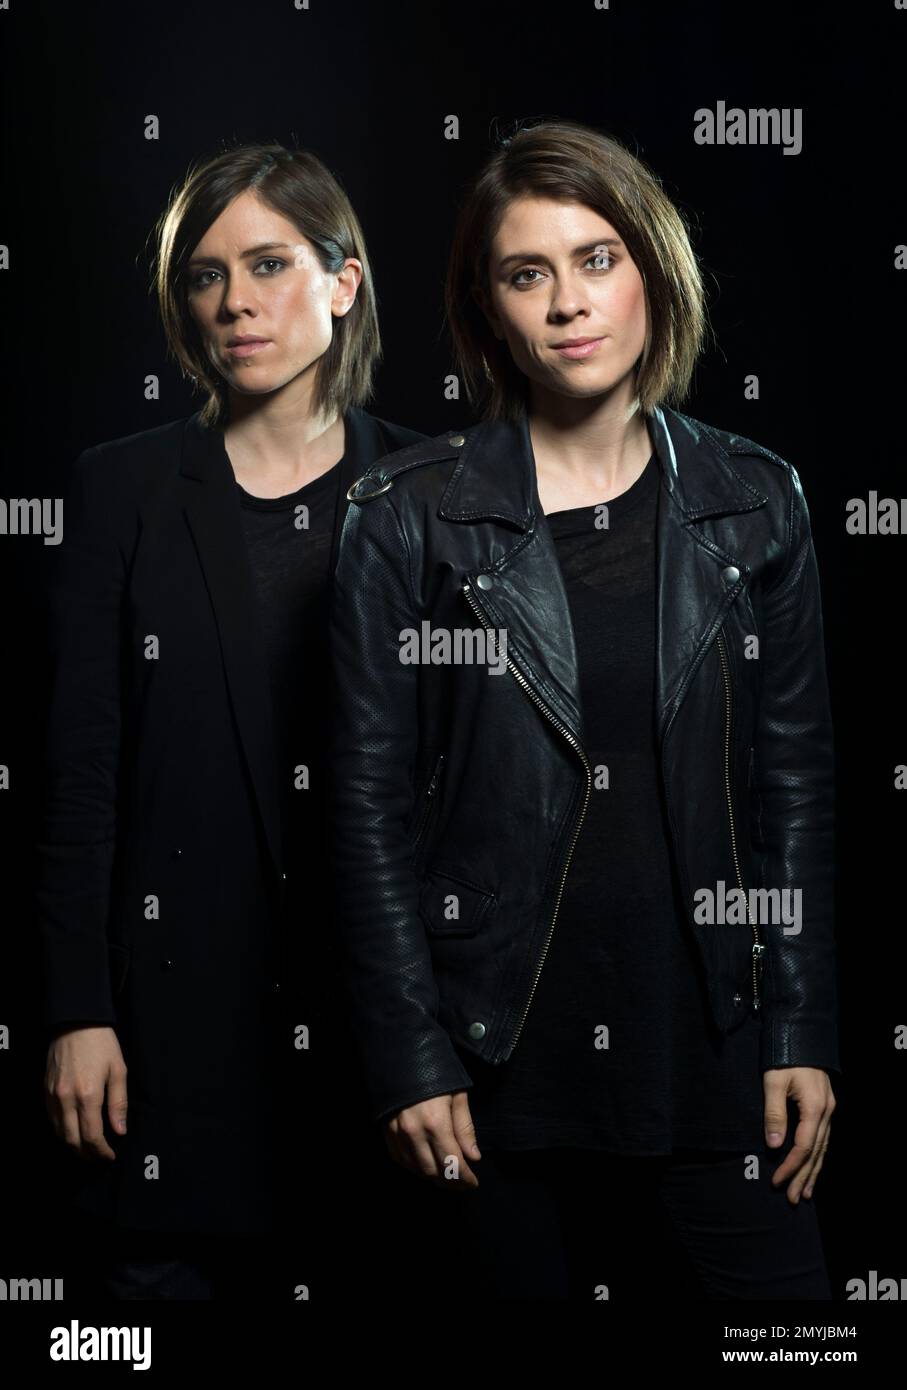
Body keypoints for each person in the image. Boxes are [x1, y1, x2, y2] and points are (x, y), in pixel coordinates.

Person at [328, 118, 840, 1299]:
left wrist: (801, 1023)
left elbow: (795, 784)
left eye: (597, 258)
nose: (568, 302)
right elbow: (362, 812)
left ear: (653, 269)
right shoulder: (404, 517)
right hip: (494, 1071)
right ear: (489, 306)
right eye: (527, 273)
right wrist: (409, 1056)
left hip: (712, 1056)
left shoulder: (755, 500)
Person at [37, 142, 426, 1300]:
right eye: (205, 276)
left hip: (375, 1044)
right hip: (171, 1033)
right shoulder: (124, 489)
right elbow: (80, 776)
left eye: (267, 264)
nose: (235, 301)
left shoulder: (430, 488)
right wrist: (76, 1010)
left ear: (341, 281)